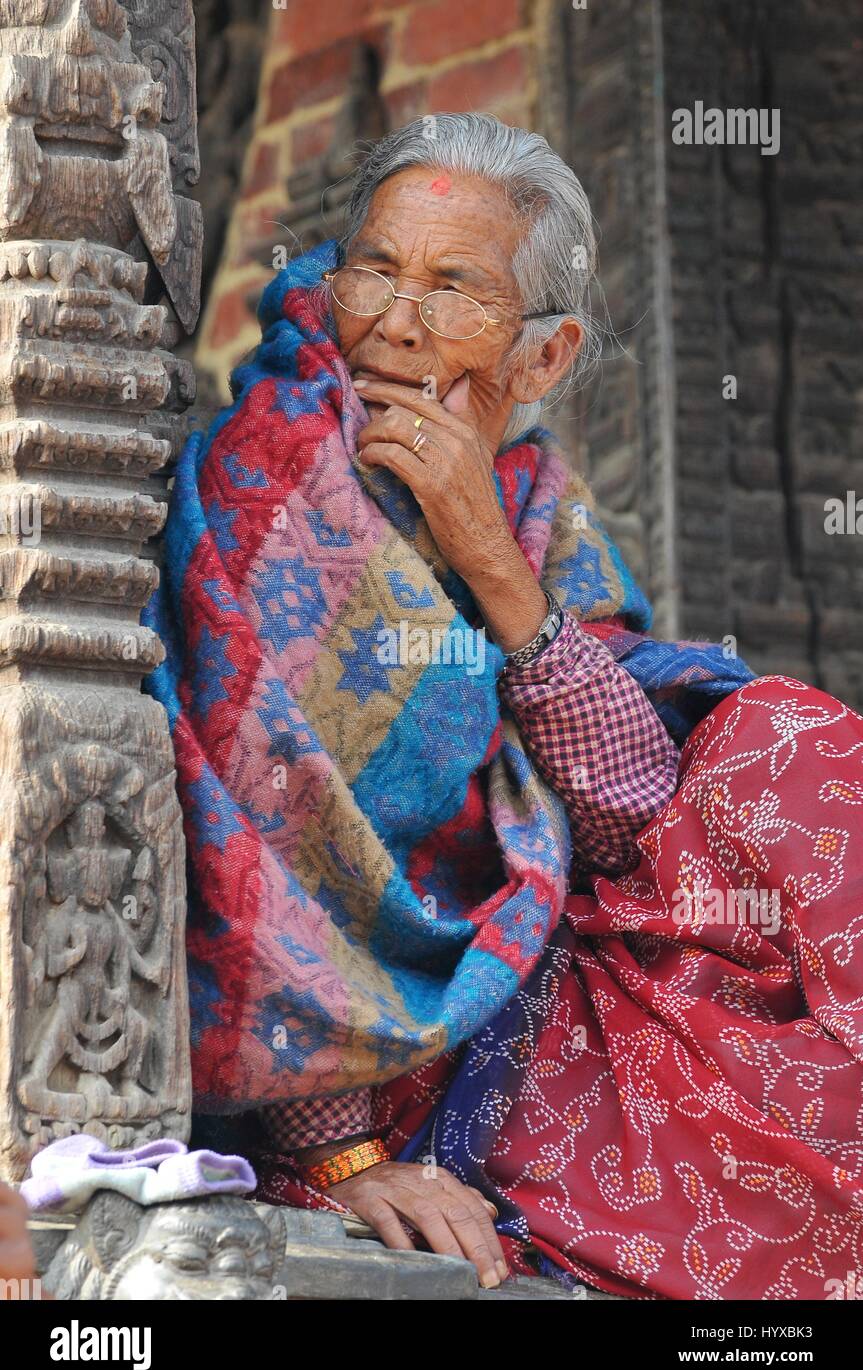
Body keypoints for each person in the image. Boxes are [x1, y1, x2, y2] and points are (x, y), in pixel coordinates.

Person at [145, 113, 863, 1299]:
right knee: (798, 1194)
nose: (394, 322)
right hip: (384, 1058)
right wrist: (339, 1154)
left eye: (452, 288)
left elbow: (638, 810)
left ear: (538, 359)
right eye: (372, 268)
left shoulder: (525, 498)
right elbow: (266, 830)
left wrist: (491, 561)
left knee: (794, 743)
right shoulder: (281, 475)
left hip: (546, 960)